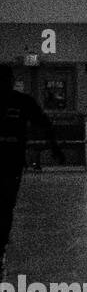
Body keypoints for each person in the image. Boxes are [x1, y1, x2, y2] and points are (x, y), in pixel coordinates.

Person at [0, 66, 64, 277]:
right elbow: (45, 124)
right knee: (6, 204)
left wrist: (54, 146)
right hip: (10, 161)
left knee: (7, 203)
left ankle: (1, 243)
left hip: (11, 161)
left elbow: (44, 123)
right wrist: (54, 146)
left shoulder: (22, 102)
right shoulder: (22, 101)